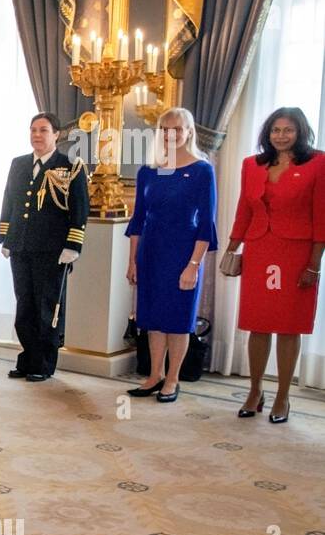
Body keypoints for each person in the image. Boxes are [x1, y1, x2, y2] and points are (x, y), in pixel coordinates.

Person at [223, 107, 325, 423]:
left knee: (289, 326)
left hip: (295, 254)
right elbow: (244, 210)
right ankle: (255, 391)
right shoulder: (252, 166)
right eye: (275, 130)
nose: (281, 136)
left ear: (301, 132)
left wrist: (314, 265)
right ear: (268, 134)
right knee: (258, 323)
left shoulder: (318, 164)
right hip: (259, 249)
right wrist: (232, 248)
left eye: (288, 130)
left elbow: (321, 217)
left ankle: (283, 396)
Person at [124, 107, 218, 403]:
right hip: (150, 252)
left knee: (177, 319)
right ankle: (154, 375)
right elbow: (138, 219)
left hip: (183, 253)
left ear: (189, 132)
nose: (171, 134)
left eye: (177, 129)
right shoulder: (149, 170)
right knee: (152, 318)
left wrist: (194, 265)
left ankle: (173, 379)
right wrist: (132, 261)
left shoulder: (202, 170)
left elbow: (206, 223)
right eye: (165, 129)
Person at [0, 112, 90, 381]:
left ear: (56, 135)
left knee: (47, 309)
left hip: (53, 251)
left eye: (43, 130)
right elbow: (9, 202)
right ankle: (27, 359)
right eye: (33, 130)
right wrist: (6, 236)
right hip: (21, 246)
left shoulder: (70, 165)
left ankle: (43, 365)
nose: (37, 135)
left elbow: (79, 209)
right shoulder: (19, 164)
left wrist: (73, 245)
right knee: (24, 306)